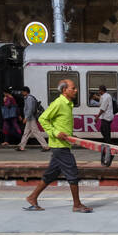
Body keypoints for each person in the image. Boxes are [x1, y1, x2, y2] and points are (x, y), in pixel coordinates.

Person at [23, 78, 92, 213]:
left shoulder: (67, 104)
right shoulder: (59, 103)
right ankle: (77, 204)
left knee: (51, 174)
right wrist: (54, 132)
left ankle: (32, 197)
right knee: (72, 172)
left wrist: (71, 136)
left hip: (64, 144)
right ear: (65, 90)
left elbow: (62, 124)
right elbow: (43, 118)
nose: (76, 90)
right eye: (73, 88)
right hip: (59, 146)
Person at [18, 87, 48, 151]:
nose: (22, 93)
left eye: (23, 92)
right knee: (26, 133)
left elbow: (30, 109)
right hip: (30, 118)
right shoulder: (28, 98)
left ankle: (45, 146)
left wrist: (26, 118)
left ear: (26, 92)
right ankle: (21, 146)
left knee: (36, 132)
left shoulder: (29, 98)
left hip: (31, 118)